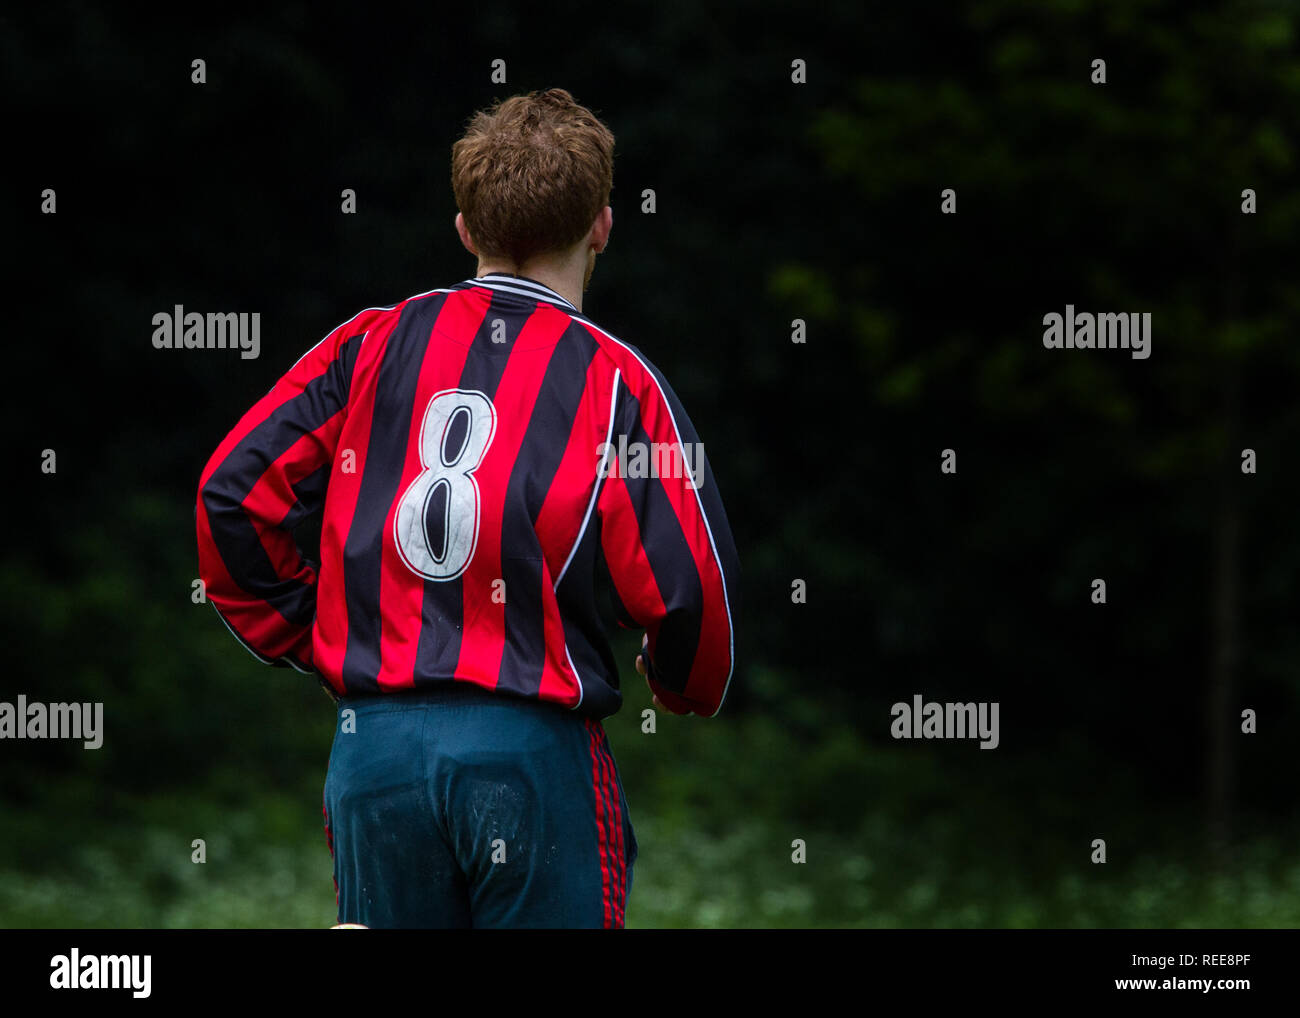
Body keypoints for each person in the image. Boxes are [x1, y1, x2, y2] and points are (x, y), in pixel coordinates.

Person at [195, 87, 739, 928]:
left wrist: (313, 632)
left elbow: (232, 495)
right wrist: (678, 684)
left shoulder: (367, 343)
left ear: (463, 228)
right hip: (530, 756)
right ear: (601, 225)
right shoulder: (618, 382)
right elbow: (692, 593)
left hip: (374, 754)